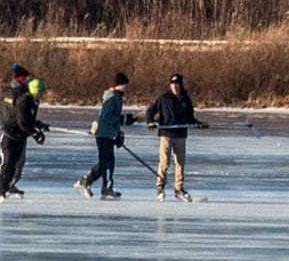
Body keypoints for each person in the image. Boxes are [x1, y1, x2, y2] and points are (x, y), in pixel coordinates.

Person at [145, 72, 206, 201]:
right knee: (164, 162)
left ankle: (179, 188)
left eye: (177, 84)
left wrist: (199, 124)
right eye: (172, 84)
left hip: (180, 135)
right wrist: (150, 121)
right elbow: (150, 111)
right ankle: (160, 186)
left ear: (181, 85)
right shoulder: (163, 98)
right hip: (166, 134)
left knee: (180, 163)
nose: (175, 87)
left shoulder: (185, 99)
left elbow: (190, 118)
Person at [0, 63, 47, 202]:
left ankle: (9, 186)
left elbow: (25, 118)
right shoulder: (20, 96)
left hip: (20, 134)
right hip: (10, 133)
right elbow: (20, 118)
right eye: (27, 79)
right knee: (7, 163)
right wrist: (35, 133)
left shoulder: (18, 94)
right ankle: (1, 190)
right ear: (22, 79)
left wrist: (37, 125)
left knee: (16, 164)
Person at [77, 72, 134, 199]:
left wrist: (118, 133)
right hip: (103, 134)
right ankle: (105, 186)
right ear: (118, 85)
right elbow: (106, 117)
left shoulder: (117, 97)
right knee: (107, 162)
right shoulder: (113, 98)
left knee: (107, 162)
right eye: (124, 85)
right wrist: (122, 119)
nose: (126, 87)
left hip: (109, 134)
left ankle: (88, 181)